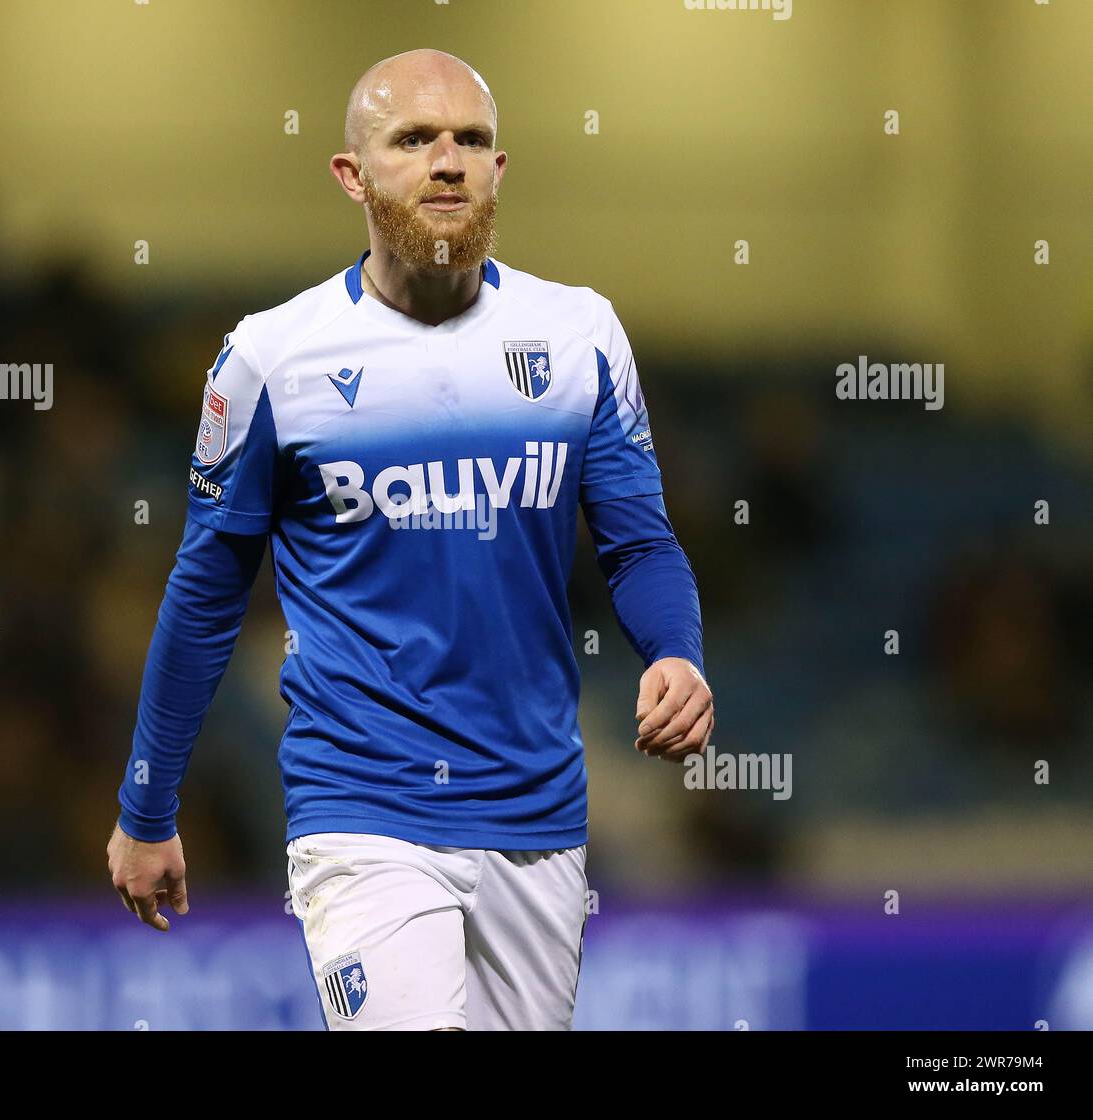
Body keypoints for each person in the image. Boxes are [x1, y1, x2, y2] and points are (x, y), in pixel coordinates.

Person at [107, 48, 712, 1031]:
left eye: (470, 140)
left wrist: (677, 652)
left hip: (538, 811)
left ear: (500, 168)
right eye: (413, 140)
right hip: (360, 806)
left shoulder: (579, 337)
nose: (447, 161)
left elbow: (639, 545)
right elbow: (207, 589)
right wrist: (147, 804)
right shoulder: (272, 358)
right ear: (352, 174)